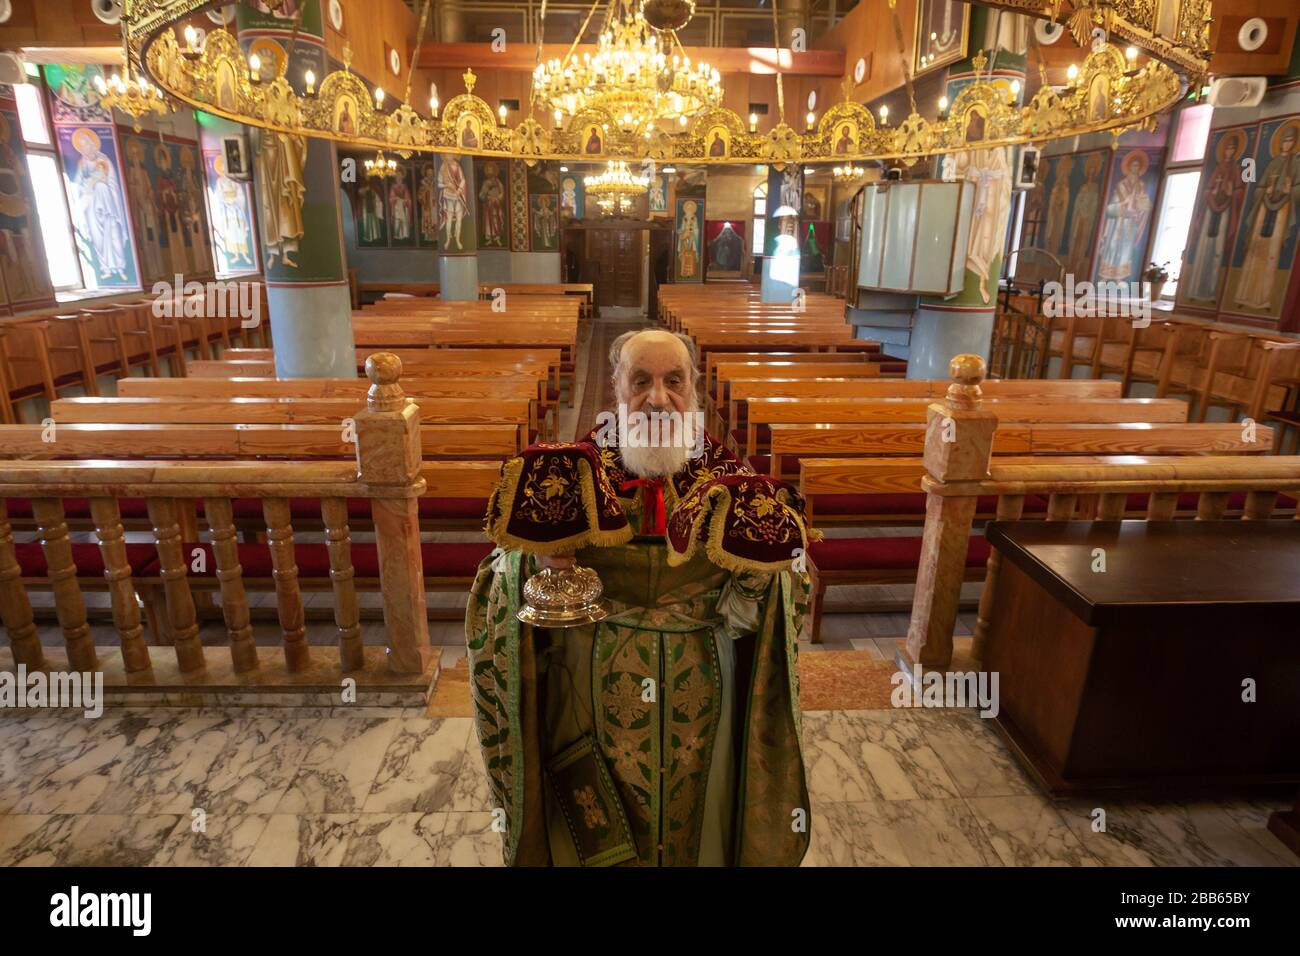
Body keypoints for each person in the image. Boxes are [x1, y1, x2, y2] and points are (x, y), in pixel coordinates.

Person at [468, 329, 812, 867]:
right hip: (589, 694)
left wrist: (758, 577)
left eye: (674, 381)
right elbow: (498, 571)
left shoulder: (731, 476)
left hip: (704, 696)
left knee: (701, 831)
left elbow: (783, 585)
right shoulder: (571, 472)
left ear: (694, 389)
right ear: (615, 388)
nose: (657, 398)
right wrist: (537, 563)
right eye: (641, 381)